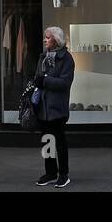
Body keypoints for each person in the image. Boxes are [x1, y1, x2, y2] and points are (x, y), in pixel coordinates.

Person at [33, 26, 75, 188]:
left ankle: (63, 174)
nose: (45, 40)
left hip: (57, 108)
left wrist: (45, 80)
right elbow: (37, 76)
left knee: (60, 142)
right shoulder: (43, 56)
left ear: (56, 40)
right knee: (46, 141)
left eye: (48, 37)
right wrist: (40, 79)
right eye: (45, 37)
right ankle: (50, 172)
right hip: (43, 107)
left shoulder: (66, 58)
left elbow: (65, 83)